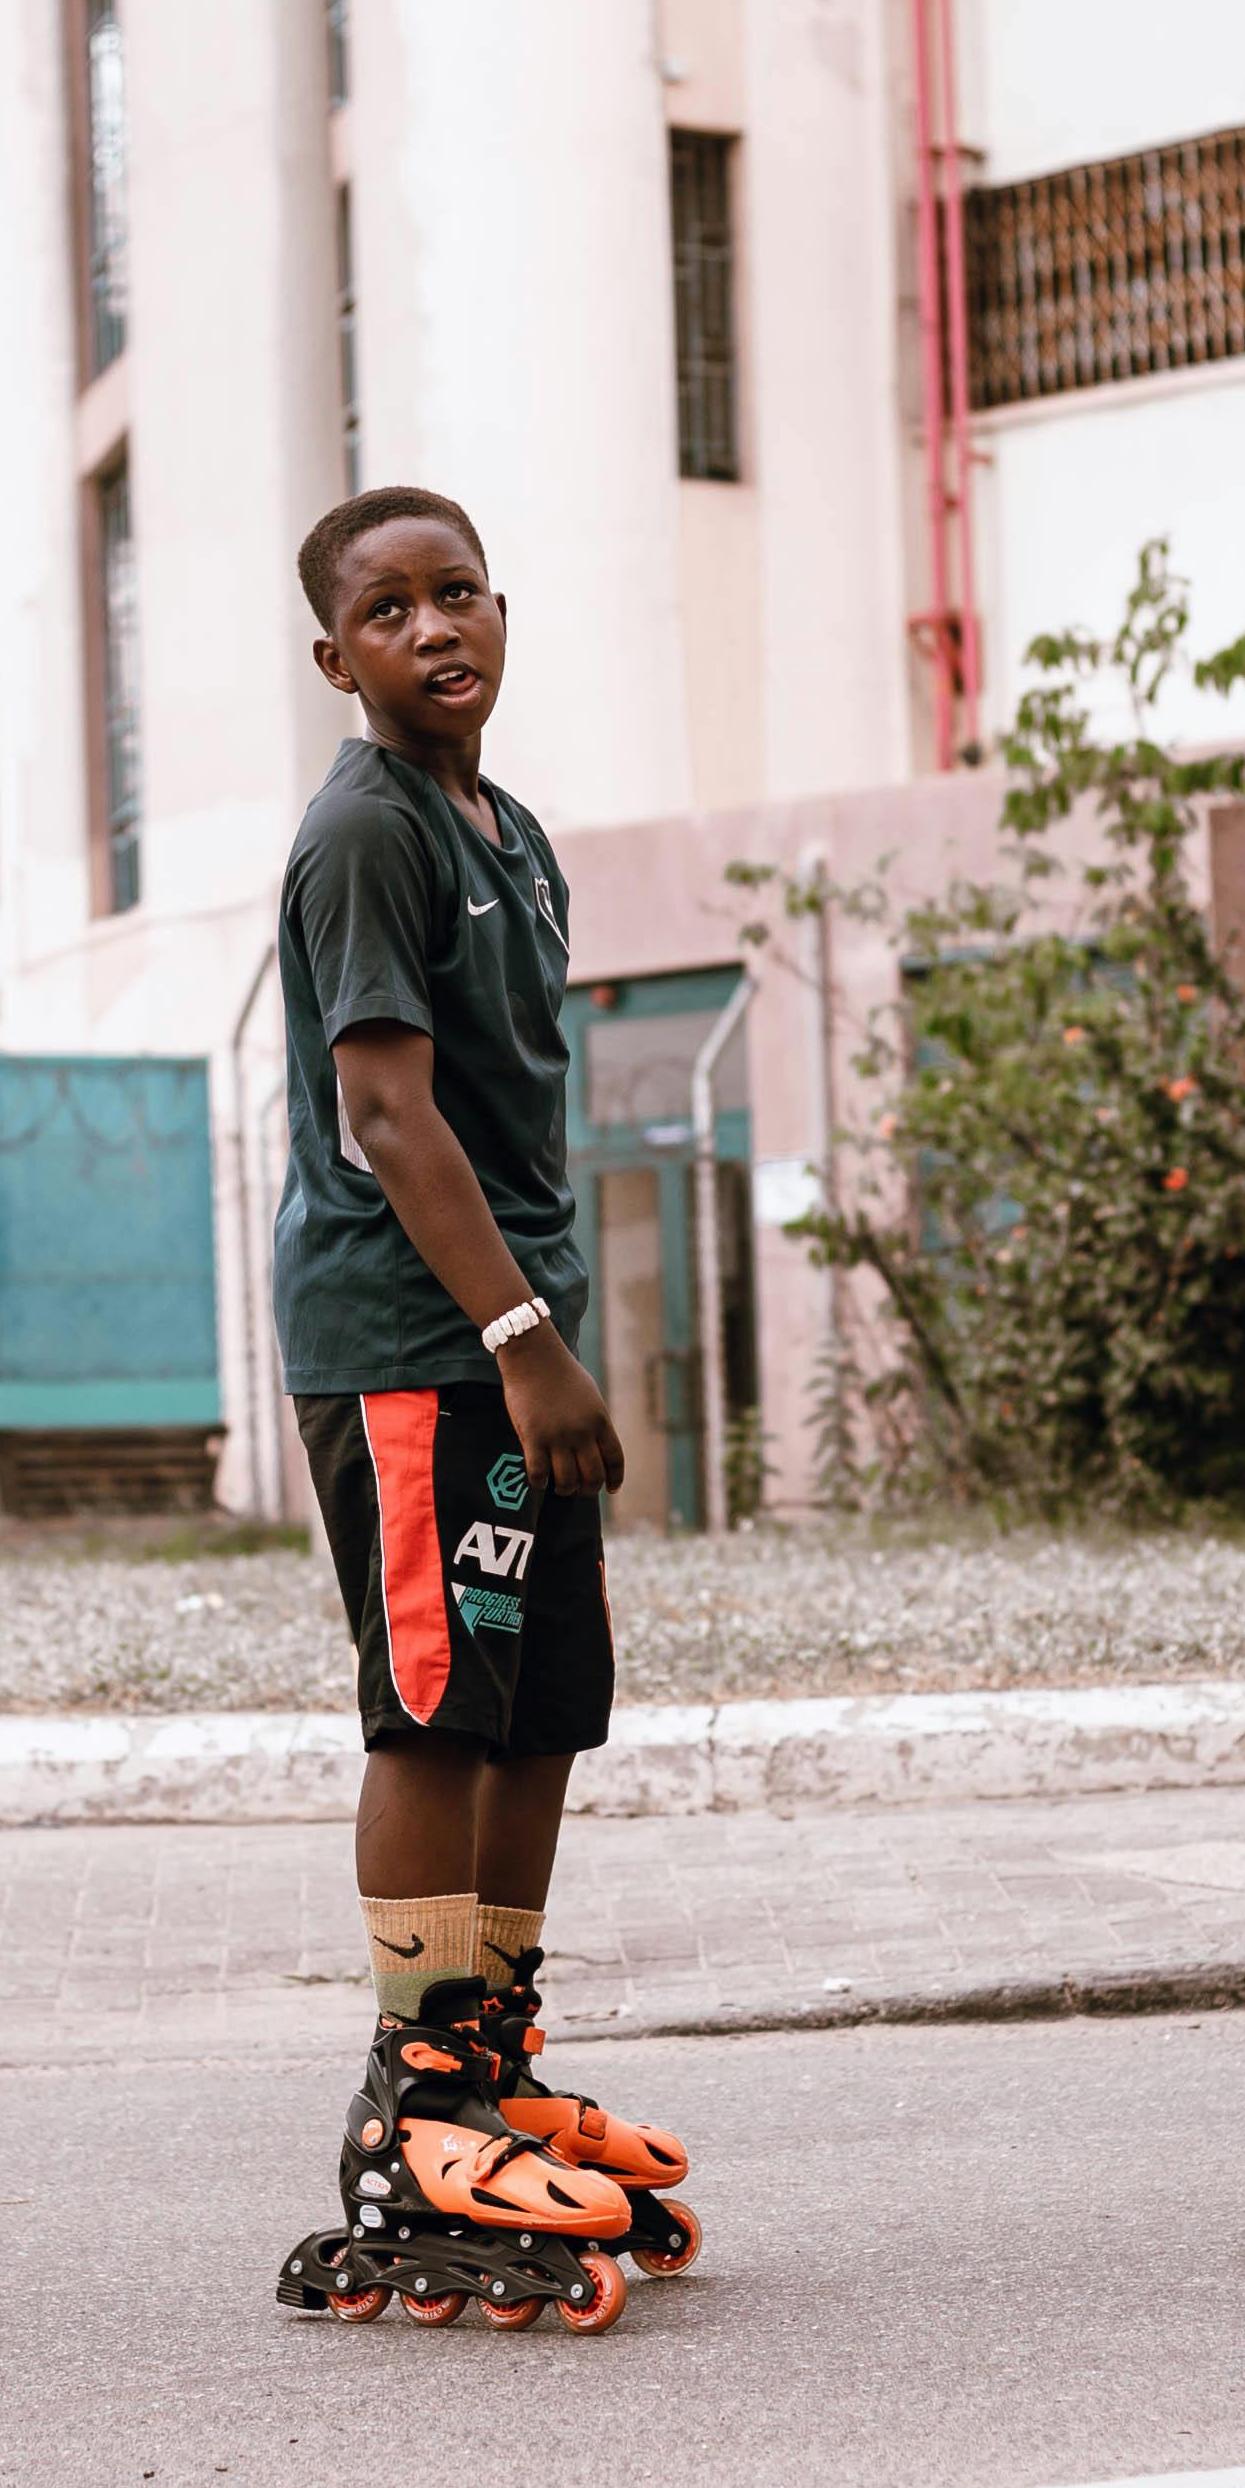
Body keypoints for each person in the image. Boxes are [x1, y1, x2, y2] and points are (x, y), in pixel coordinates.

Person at [268, 483, 697, 2333]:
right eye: (390, 612)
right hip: (418, 1341)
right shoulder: (365, 834)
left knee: (539, 1712)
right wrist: (526, 1333)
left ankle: (488, 2054)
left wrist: (546, 1326)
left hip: (513, 1328)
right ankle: (409, 2107)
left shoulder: (506, 829)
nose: (435, 631)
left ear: (502, 614)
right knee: (438, 1710)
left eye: (459, 597)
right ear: (336, 658)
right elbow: (389, 1113)